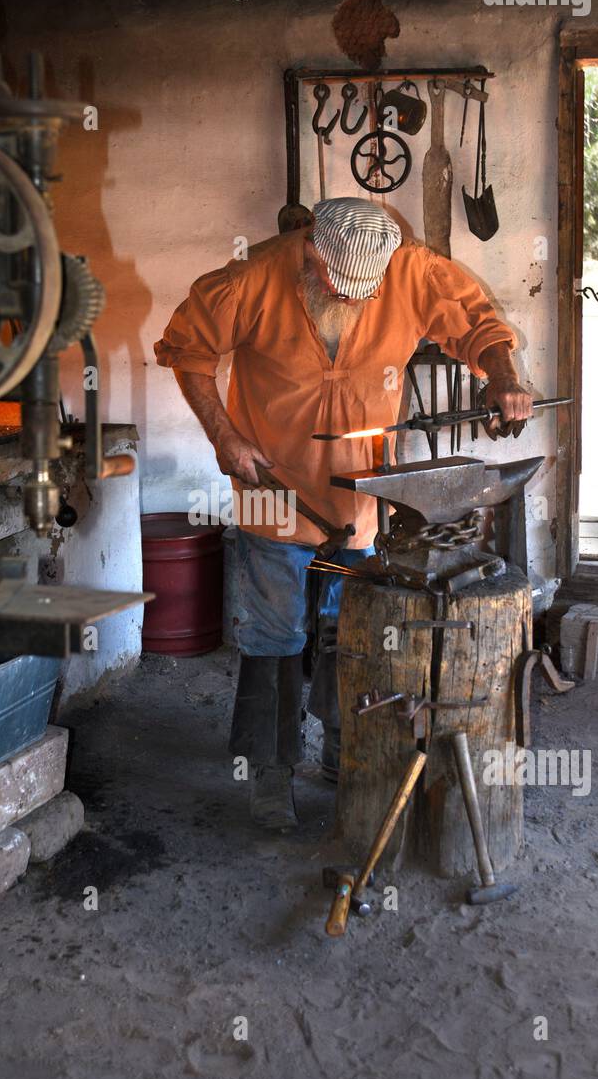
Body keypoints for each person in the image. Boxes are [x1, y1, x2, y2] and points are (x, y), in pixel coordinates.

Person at [154, 198, 533, 829]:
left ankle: (343, 746)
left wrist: (502, 375)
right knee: (273, 634)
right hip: (273, 484)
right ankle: (271, 773)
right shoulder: (251, 278)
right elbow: (187, 349)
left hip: (362, 494)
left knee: (347, 630)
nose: (355, 298)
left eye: (367, 289)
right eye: (340, 285)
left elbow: (479, 326)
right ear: (309, 249)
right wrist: (223, 435)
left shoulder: (410, 270)